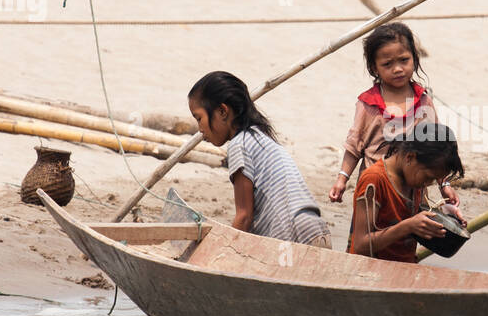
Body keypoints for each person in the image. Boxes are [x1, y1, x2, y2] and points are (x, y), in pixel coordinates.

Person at [187, 71, 332, 248]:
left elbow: (244, 216)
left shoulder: (239, 145)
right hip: (316, 231)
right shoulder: (259, 136)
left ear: (223, 111)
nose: (199, 128)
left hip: (292, 239)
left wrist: (225, 250)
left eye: (199, 118)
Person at [328, 23, 460, 215]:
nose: (397, 69)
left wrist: (444, 184)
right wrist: (342, 179)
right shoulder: (368, 104)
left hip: (414, 189)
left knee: (406, 236)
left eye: (404, 60)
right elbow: (354, 146)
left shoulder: (423, 102)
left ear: (415, 58)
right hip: (375, 188)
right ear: (374, 67)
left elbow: (436, 149)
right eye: (387, 64)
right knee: (370, 238)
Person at [348, 122, 465, 263]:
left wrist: (444, 217)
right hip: (369, 272)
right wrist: (408, 226)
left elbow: (418, 220)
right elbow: (360, 245)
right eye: (428, 177)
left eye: (434, 180)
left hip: (403, 270)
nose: (428, 184)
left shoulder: (415, 182)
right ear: (410, 157)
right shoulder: (374, 180)